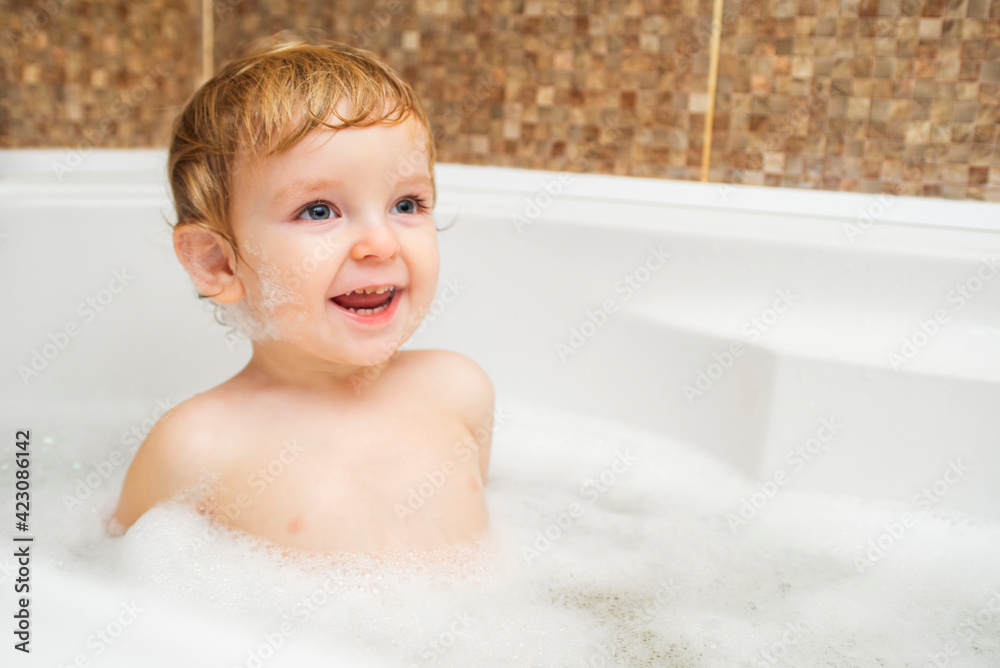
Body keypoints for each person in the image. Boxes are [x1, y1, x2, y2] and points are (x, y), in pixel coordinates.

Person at [109, 34, 495, 557]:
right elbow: (111, 581)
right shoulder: (196, 447)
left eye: (406, 204)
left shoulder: (459, 391)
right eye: (318, 211)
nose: (381, 243)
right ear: (218, 262)